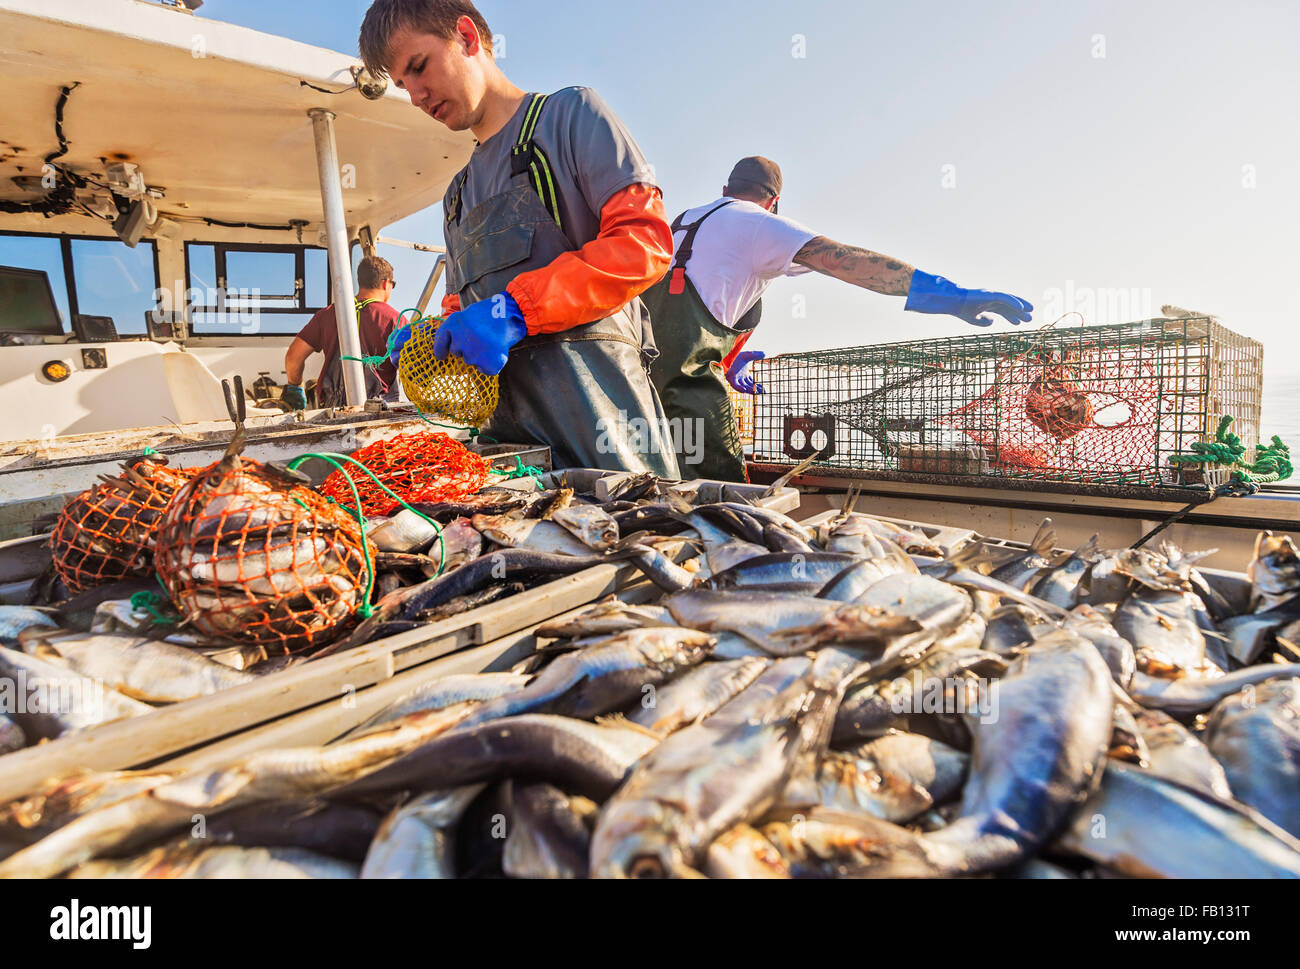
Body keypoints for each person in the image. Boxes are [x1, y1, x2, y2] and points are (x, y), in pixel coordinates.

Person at [361, 0, 680, 476]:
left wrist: (516, 310)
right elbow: (461, 308)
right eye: (404, 84)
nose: (416, 96)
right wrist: (434, 338)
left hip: (612, 446)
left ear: (467, 36)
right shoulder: (457, 196)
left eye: (419, 67)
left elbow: (644, 242)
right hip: (513, 461)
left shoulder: (570, 117)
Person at [641, 156, 1034, 482]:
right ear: (774, 201)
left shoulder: (679, 223)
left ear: (725, 190)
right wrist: (950, 295)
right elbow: (842, 260)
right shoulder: (756, 223)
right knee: (720, 503)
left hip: (636, 390)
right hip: (688, 393)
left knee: (654, 487)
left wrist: (725, 362)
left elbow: (684, 301)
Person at [282, 254, 401, 409]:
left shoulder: (327, 314)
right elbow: (411, 371)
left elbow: (293, 356)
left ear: (360, 282)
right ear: (386, 283)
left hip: (334, 412)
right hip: (379, 414)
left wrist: (295, 388)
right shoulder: (395, 320)